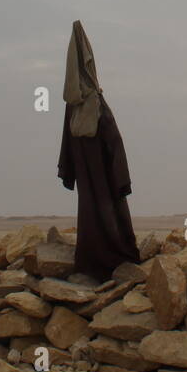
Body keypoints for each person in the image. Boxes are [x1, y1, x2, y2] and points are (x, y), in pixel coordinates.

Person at [56, 20, 141, 279]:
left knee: (93, 214)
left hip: (91, 176)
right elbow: (115, 142)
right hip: (104, 176)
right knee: (110, 216)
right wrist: (122, 180)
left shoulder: (74, 107)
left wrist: (68, 172)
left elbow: (66, 144)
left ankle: (93, 264)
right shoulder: (93, 102)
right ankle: (114, 262)